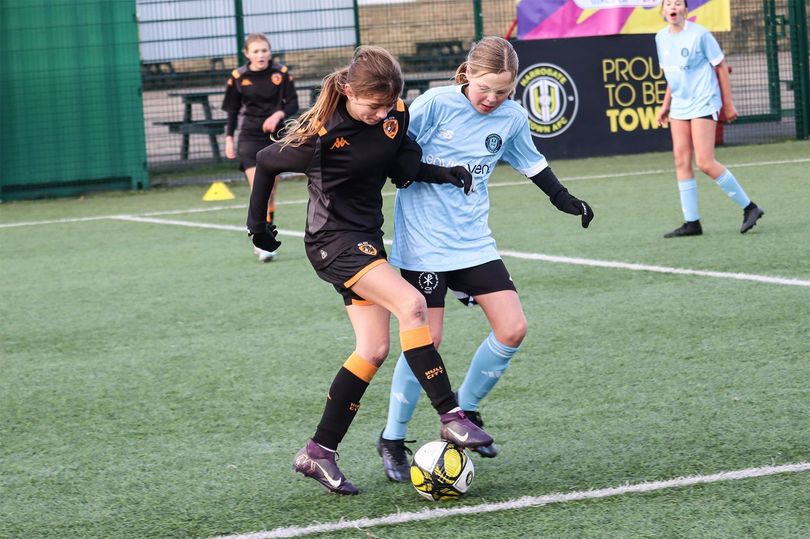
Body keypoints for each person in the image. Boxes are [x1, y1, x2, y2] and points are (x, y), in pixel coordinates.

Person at [246, 45, 494, 495]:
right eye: (371, 105)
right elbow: (265, 163)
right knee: (412, 304)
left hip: (366, 241)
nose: (381, 114)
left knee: (374, 348)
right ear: (346, 90)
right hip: (332, 243)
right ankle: (452, 416)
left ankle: (319, 451)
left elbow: (403, 163)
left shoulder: (396, 112)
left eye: (387, 105)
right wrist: (258, 225)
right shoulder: (324, 132)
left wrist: (444, 172)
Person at [375, 36, 595, 482]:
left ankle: (466, 414)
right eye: (485, 89)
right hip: (425, 243)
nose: (492, 99)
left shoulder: (510, 117)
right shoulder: (434, 104)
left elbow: (530, 162)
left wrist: (562, 197)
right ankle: (392, 438)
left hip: (474, 241)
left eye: (503, 91)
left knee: (513, 327)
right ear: (467, 75)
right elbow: (393, 155)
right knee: (427, 340)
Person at [655, 0, 763, 238]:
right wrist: (665, 105)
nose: (673, 7)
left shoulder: (700, 34)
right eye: (668, 3)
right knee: (681, 160)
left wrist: (728, 103)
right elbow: (674, 76)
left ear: (685, 9)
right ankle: (692, 223)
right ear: (662, 10)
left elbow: (721, 66)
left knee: (704, 162)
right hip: (680, 106)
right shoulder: (660, 38)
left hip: (704, 100)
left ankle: (750, 207)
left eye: (677, 3)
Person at [223, 33, 299, 261]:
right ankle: (261, 242)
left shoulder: (281, 74)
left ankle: (264, 236)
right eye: (255, 51)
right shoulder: (238, 77)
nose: (261, 55)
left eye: (264, 50)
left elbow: (293, 102)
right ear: (247, 54)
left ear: (270, 52)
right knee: (260, 188)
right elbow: (232, 111)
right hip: (249, 138)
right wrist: (228, 138)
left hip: (275, 138)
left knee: (272, 190)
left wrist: (278, 114)